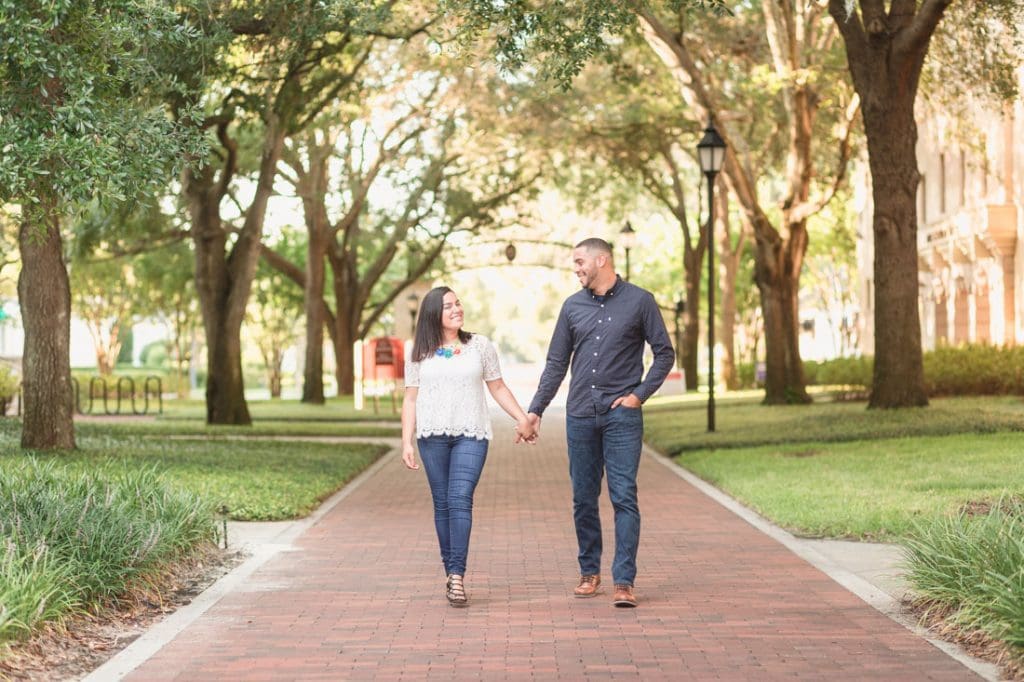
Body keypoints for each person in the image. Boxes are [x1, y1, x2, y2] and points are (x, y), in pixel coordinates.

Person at [525, 238, 674, 608]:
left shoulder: (640, 301)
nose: (575, 268)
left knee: (624, 496)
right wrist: (535, 411)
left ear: (601, 259)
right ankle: (589, 572)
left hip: (621, 415)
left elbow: (664, 353)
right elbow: (556, 364)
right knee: (582, 498)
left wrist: (639, 395)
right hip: (579, 415)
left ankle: (624, 581)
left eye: (579, 261)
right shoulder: (572, 306)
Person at [402, 285, 537, 607]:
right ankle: (450, 571)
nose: (456, 309)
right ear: (434, 313)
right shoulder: (418, 352)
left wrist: (523, 418)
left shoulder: (480, 346)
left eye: (458, 303)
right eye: (448, 306)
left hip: (471, 434)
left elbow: (498, 386)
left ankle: (458, 577)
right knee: (442, 503)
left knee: (460, 498)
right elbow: (410, 397)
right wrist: (406, 440)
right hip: (431, 436)